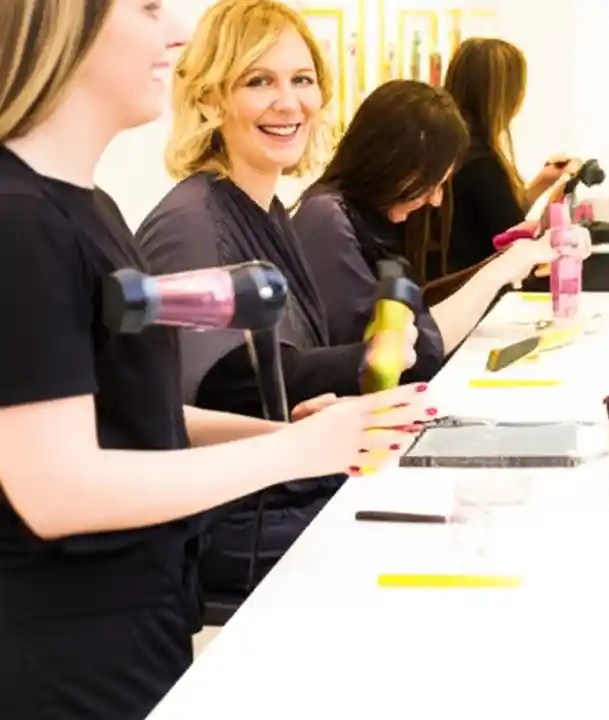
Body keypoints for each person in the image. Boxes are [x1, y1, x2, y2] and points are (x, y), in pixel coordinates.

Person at [0, 1, 426, 717]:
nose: (176, 32)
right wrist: (295, 453)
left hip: (145, 613)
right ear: (61, 23)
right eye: (146, 8)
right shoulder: (19, 223)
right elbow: (57, 491)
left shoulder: (87, 209)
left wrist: (303, 438)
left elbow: (142, 416)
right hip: (69, 654)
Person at [135, 0, 443, 606]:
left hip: (279, 486)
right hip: (230, 521)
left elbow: (277, 378)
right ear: (210, 97)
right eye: (259, 81)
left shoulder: (269, 209)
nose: (289, 102)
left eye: (302, 80)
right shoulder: (192, 221)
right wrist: (367, 359)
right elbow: (229, 382)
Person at [294, 79, 555, 349]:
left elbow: (418, 310)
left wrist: (503, 262)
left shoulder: (369, 220)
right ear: (392, 161)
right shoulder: (327, 219)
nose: (436, 200)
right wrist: (501, 269)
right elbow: (389, 357)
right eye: (432, 185)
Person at [436, 38, 577, 278]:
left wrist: (542, 184)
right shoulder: (482, 163)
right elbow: (514, 244)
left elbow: (495, 217)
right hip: (470, 294)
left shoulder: (449, 149)